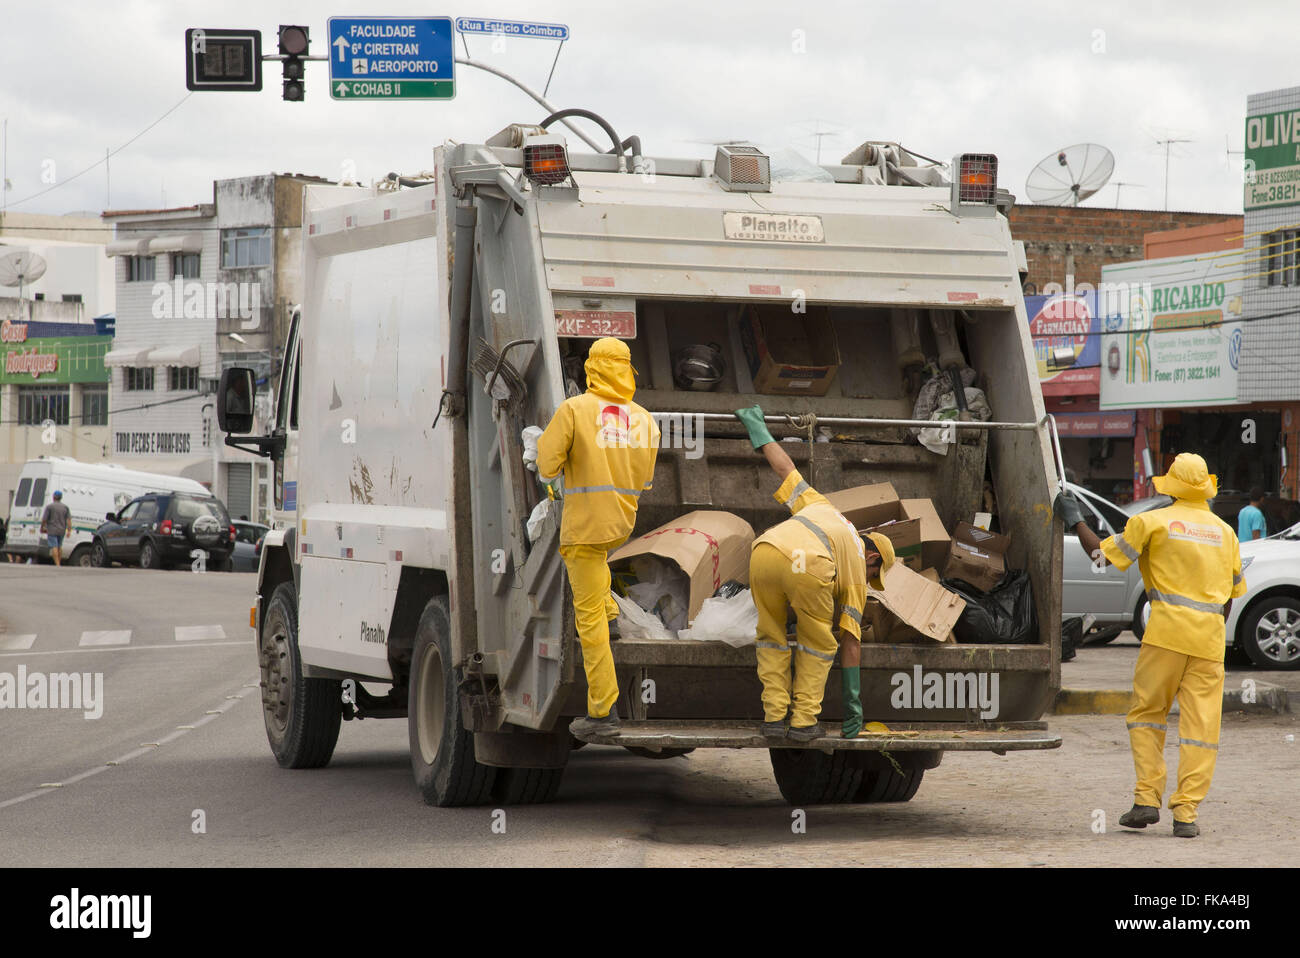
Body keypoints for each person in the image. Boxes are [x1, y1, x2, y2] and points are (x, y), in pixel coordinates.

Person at [1055, 452, 1246, 838]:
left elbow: (1100, 558)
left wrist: (1075, 519)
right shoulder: (1225, 533)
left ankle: (1146, 799)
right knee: (1201, 728)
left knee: (1147, 716)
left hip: (1165, 637)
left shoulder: (1152, 522)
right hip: (1209, 643)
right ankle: (1186, 814)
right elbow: (1230, 595)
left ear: (1171, 487)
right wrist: (1208, 628)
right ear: (1205, 489)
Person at [735, 405, 893, 742]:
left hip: (765, 550)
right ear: (872, 556)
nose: (868, 581)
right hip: (808, 563)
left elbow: (785, 469)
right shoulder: (855, 566)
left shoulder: (824, 507)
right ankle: (804, 722)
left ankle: (774, 719)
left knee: (771, 635)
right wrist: (853, 706)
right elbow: (850, 642)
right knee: (817, 643)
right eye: (873, 574)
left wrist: (758, 429)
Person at [533, 338, 659, 737]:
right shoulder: (645, 420)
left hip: (585, 527)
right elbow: (646, 480)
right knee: (597, 571)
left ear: (592, 369)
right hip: (619, 525)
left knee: (587, 621)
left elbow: (546, 466)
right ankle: (613, 618)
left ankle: (603, 712)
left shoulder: (575, 409)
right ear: (626, 371)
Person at [40, 490, 72, 567]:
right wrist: (69, 531)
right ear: (61, 498)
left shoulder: (49, 507)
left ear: (53, 497)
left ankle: (57, 564)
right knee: (59, 546)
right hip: (62, 530)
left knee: (54, 546)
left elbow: (44, 519)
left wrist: (42, 527)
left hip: (52, 530)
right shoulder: (65, 507)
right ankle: (59, 562)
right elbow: (68, 520)